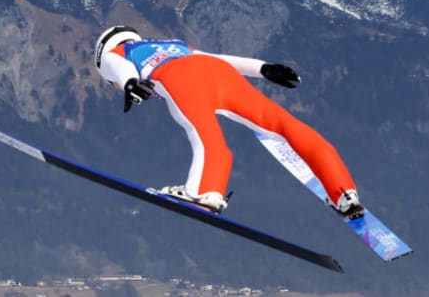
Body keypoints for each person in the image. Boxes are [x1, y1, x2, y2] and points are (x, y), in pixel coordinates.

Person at [94, 25, 363, 217]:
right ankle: (343, 192)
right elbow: (215, 60)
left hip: (180, 77)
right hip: (219, 73)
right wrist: (263, 68)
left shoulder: (113, 55)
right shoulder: (173, 45)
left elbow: (118, 68)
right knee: (285, 125)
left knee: (207, 139)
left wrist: (129, 82)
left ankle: (205, 192)